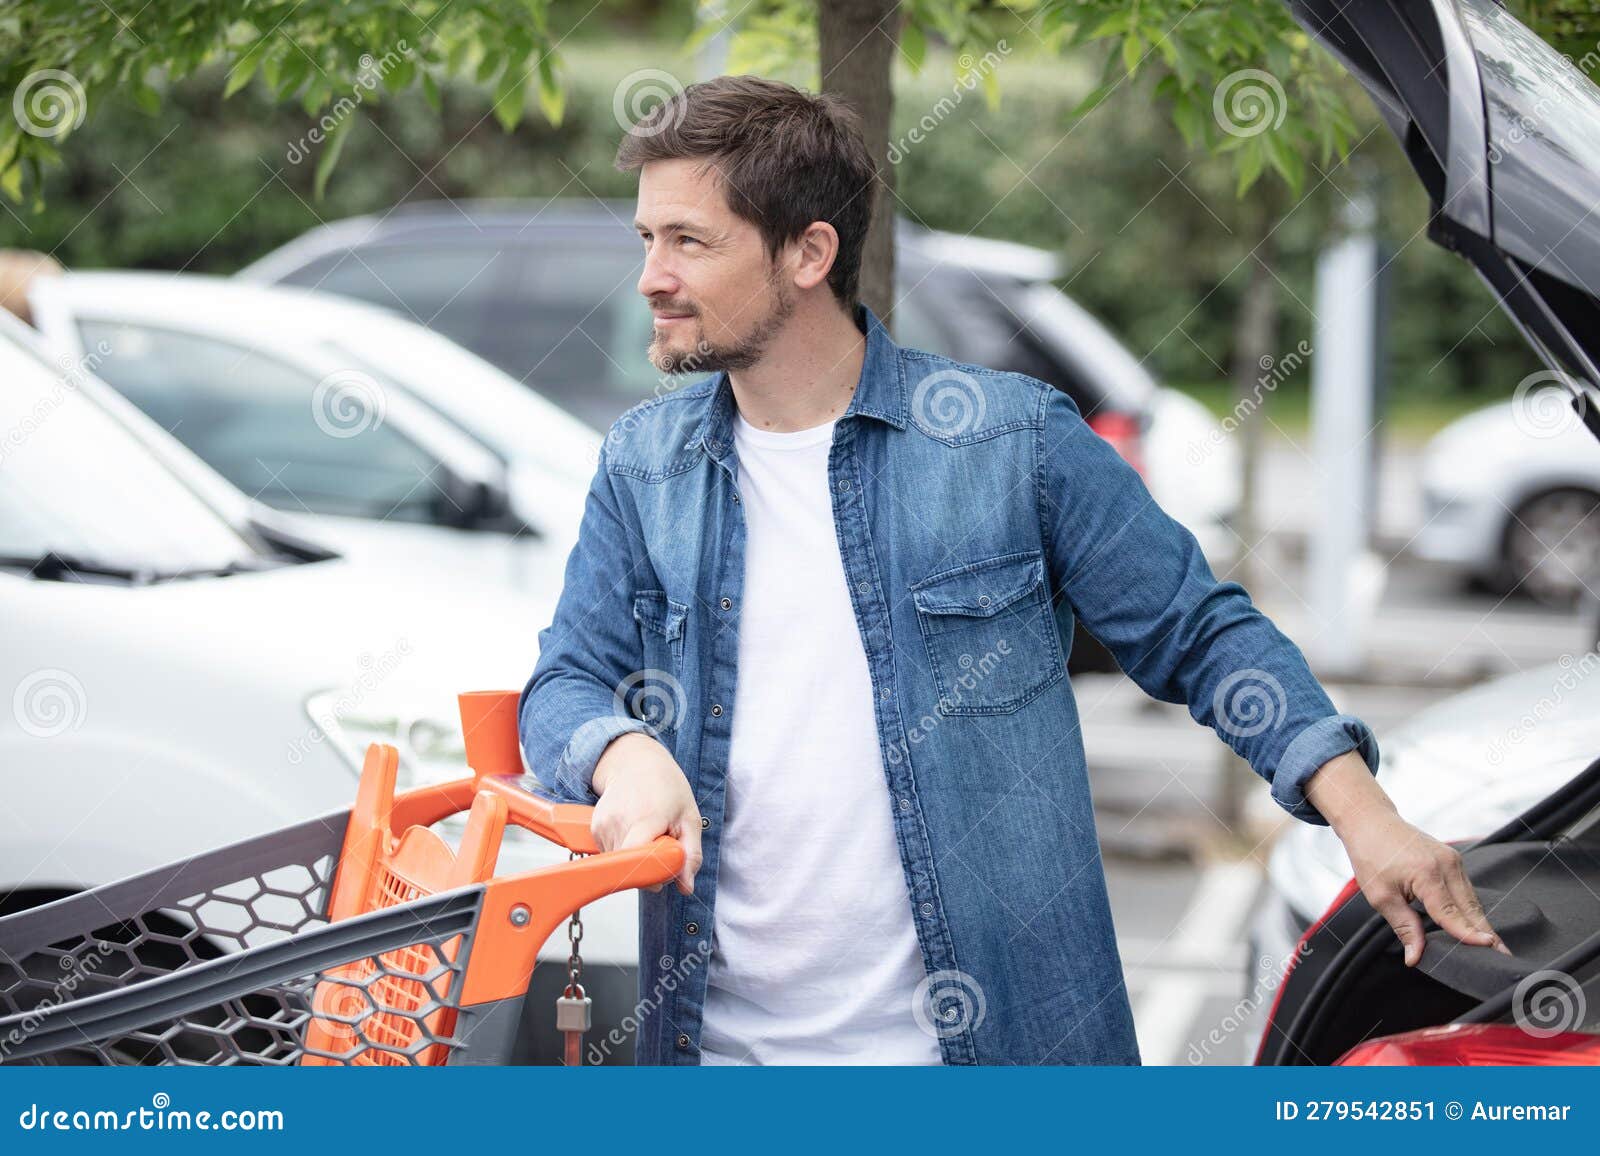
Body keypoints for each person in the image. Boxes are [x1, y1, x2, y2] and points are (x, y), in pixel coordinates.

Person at [519, 74, 1506, 1065]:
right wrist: (620, 749)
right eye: (646, 239)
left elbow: (1199, 633)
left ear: (809, 252)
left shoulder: (1007, 440)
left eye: (688, 240)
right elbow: (563, 682)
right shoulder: (644, 465)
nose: (651, 275)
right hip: (713, 1056)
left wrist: (1363, 817)